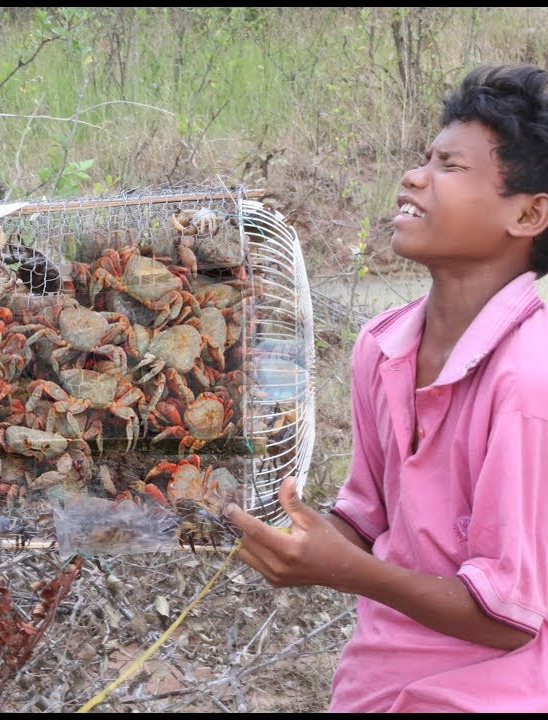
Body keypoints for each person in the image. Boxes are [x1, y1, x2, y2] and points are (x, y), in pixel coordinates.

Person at [225, 63, 548, 712]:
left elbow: (508, 616)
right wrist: (290, 532)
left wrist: (340, 568)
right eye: (423, 157)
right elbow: (369, 524)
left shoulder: (527, 381)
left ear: (530, 213)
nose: (414, 176)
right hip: (371, 690)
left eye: (451, 167)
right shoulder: (382, 346)